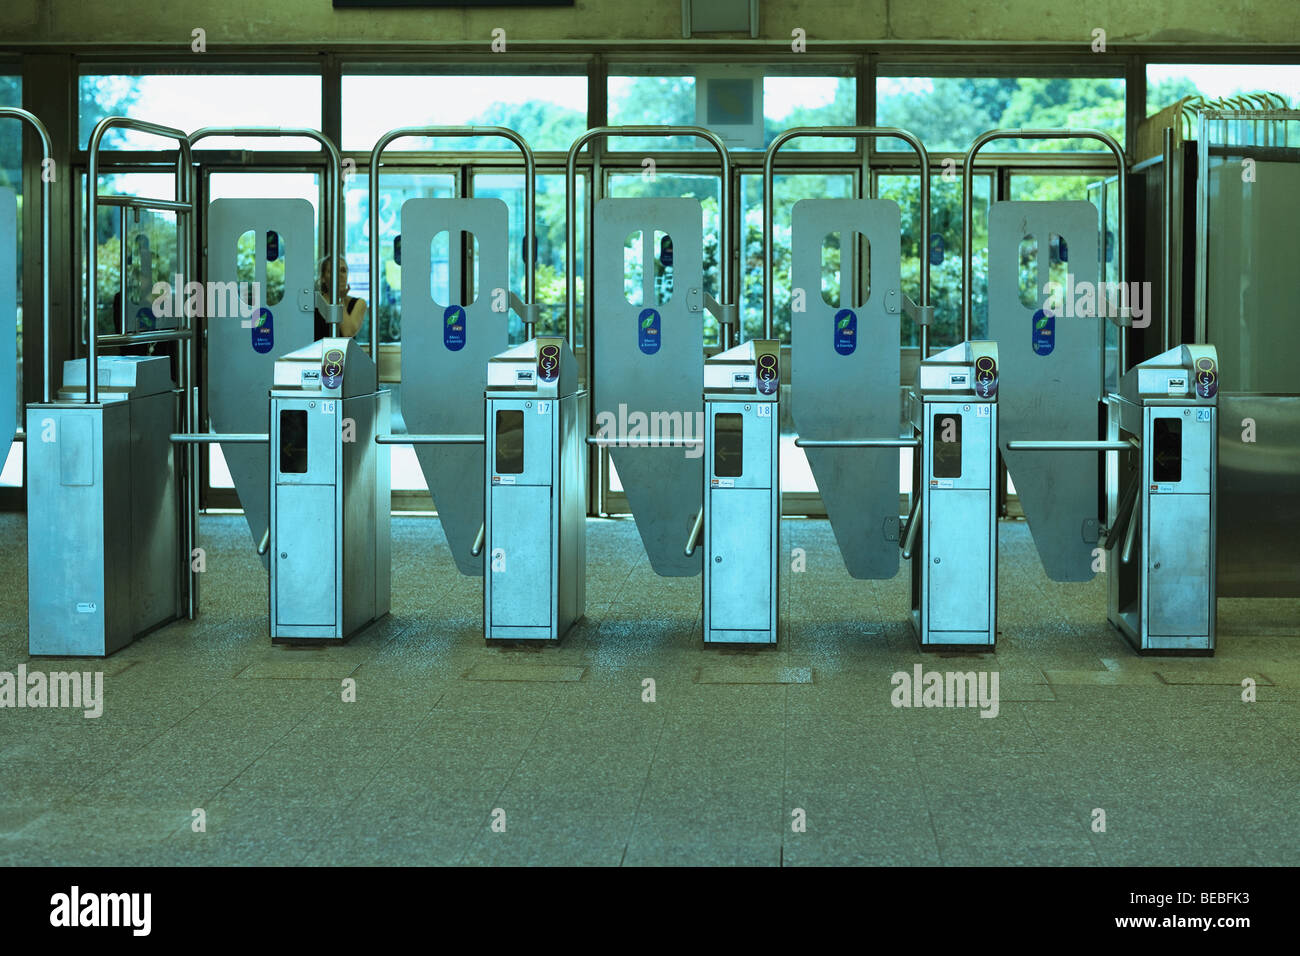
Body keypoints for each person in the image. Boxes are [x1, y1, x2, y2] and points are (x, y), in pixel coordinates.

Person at [313, 255, 367, 340]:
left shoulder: (359, 303)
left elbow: (347, 333)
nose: (340, 275)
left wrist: (340, 299)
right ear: (323, 278)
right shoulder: (314, 303)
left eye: (343, 271)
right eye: (333, 271)